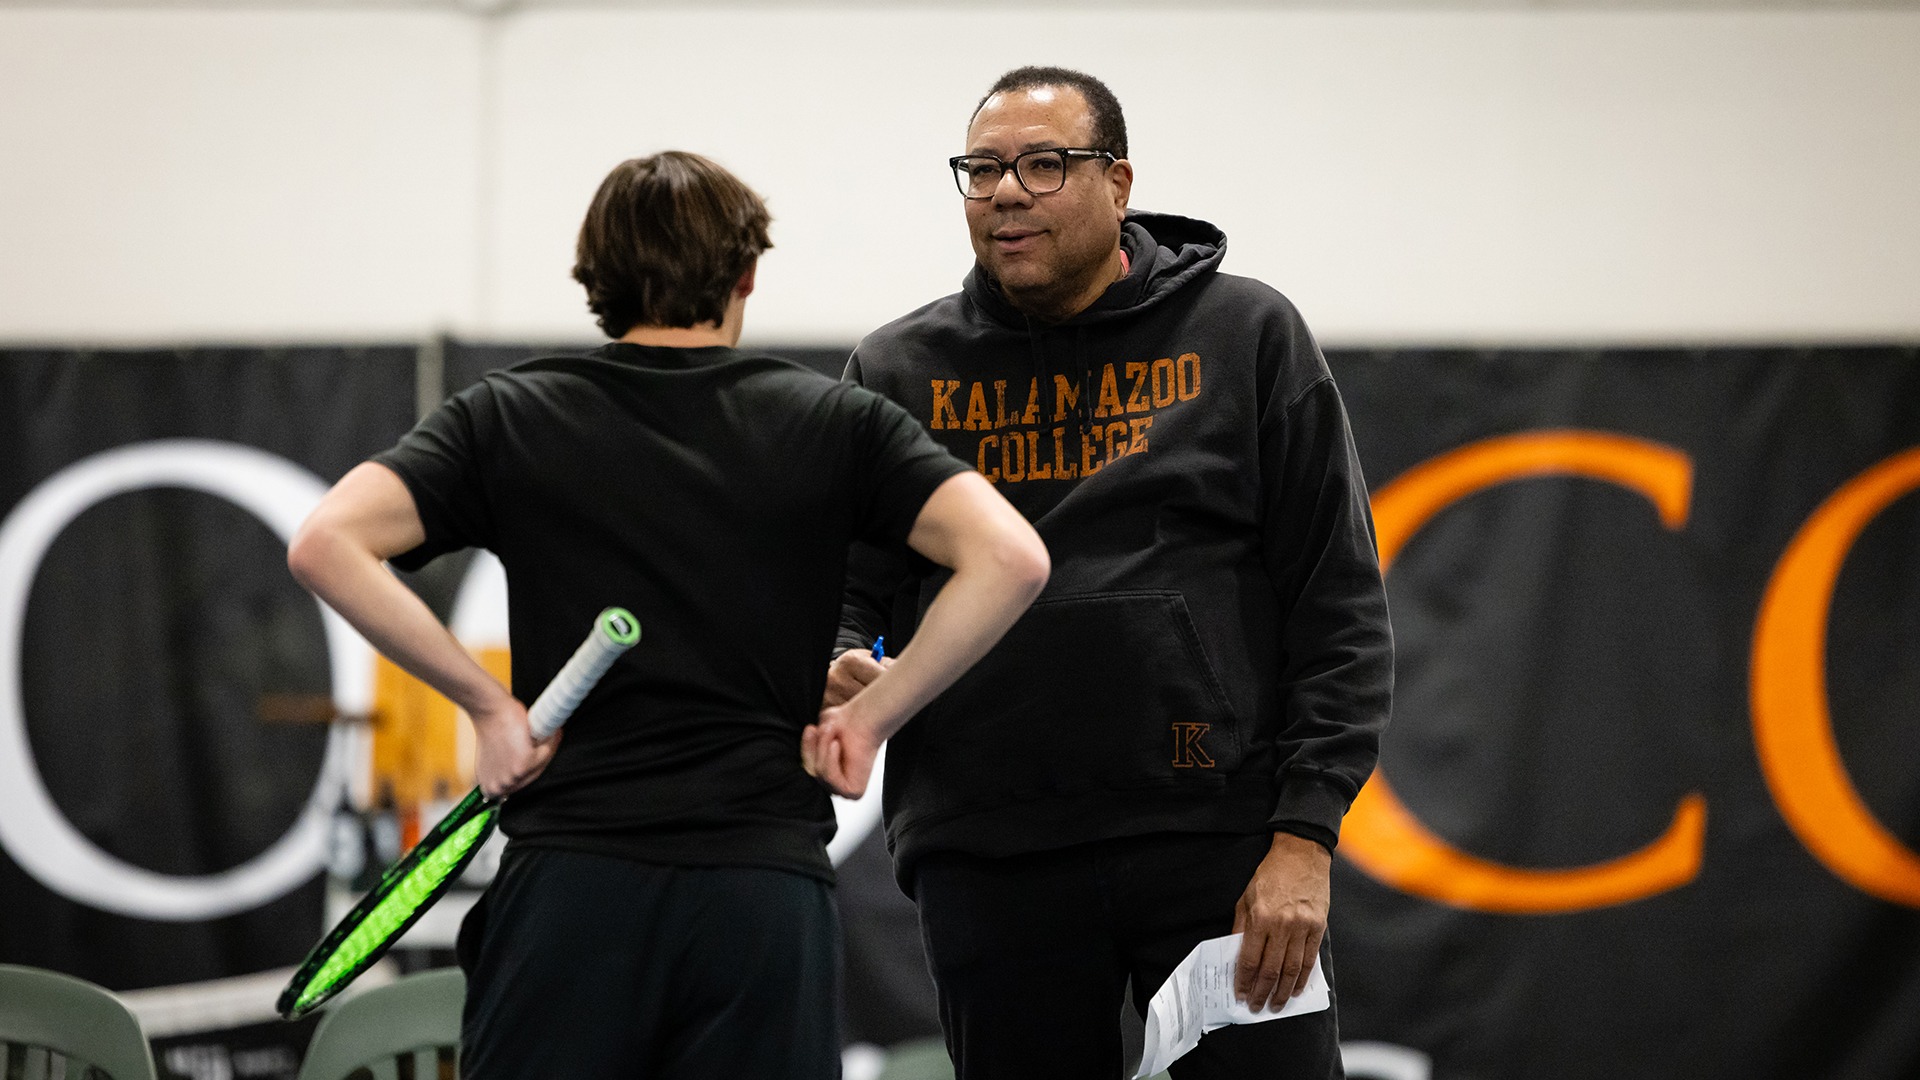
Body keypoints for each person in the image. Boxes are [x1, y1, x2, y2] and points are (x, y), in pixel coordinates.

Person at [286, 150, 1049, 1080]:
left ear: (595, 282)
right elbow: (1012, 557)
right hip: (759, 896)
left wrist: (489, 711)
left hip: (573, 888)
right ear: (747, 274)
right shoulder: (831, 423)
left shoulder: (512, 415)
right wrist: (872, 718)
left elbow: (325, 543)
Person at [808, 68, 1393, 1079]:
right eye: (982, 169)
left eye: (1044, 164)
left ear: (1118, 183)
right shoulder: (900, 371)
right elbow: (842, 585)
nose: (1005, 192)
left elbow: (1336, 603)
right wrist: (839, 654)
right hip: (990, 851)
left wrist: (1306, 836)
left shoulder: (1246, 336)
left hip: (1220, 846)